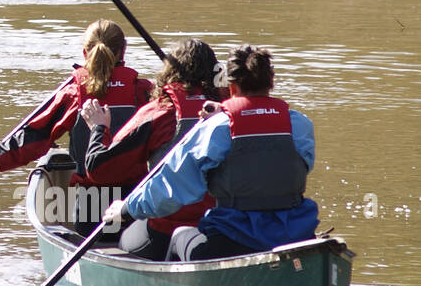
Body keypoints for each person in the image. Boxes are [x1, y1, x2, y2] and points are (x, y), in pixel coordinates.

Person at [101, 45, 318, 261]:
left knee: (180, 234)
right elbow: (291, 166)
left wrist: (127, 208)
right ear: (271, 82)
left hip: (233, 241)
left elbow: (173, 184)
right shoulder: (300, 125)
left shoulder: (216, 128)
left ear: (231, 87)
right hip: (296, 235)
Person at [75, 39, 222, 257]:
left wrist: (99, 128)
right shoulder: (226, 112)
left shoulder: (157, 112)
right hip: (218, 226)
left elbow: (98, 170)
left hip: (164, 229)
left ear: (169, 71)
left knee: (125, 237)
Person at [0, 19, 153, 182]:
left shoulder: (73, 94)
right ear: (123, 50)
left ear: (85, 53)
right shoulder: (145, 91)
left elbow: (30, 142)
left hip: (90, 199)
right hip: (136, 196)